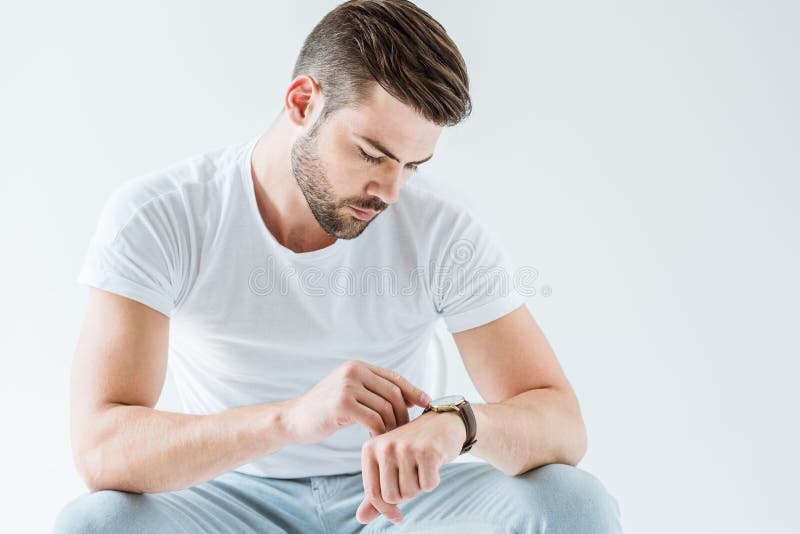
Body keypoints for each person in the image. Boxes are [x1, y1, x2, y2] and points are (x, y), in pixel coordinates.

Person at [54, 0, 622, 532]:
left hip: (401, 503)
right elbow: (101, 448)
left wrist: (459, 424)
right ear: (303, 103)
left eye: (413, 166)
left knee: (572, 503)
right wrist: (291, 419)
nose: (391, 193)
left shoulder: (442, 229)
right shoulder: (164, 215)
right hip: (226, 496)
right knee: (96, 523)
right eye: (372, 154)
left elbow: (560, 422)